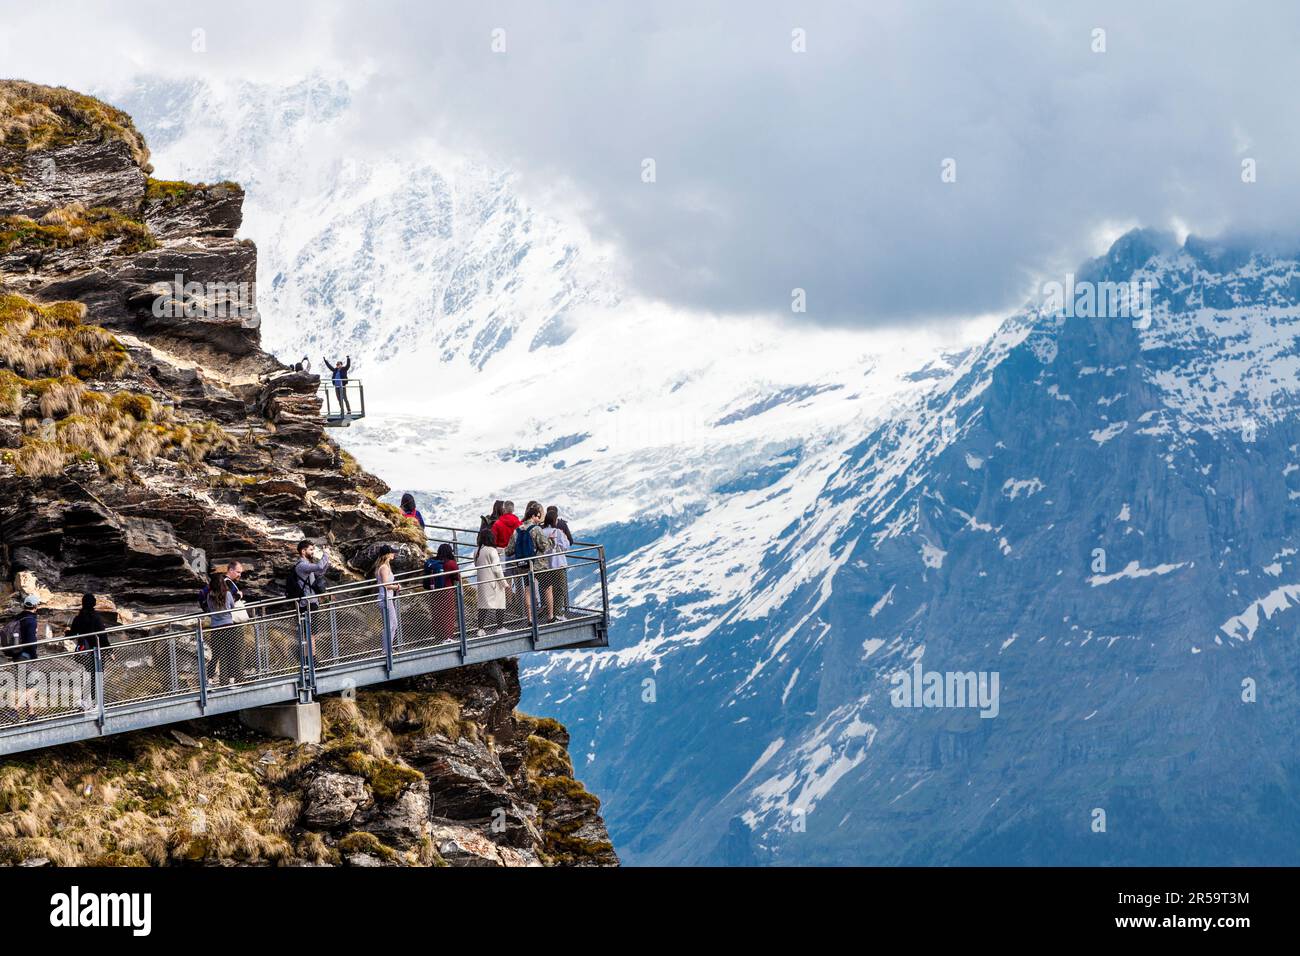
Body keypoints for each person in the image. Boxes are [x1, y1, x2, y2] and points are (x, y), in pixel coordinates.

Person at [506, 501, 553, 624]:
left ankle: (530, 619)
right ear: (533, 516)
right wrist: (551, 541)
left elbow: (509, 551)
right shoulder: (536, 529)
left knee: (527, 590)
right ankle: (550, 616)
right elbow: (544, 547)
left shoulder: (517, 530)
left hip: (524, 565)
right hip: (539, 565)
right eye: (537, 516)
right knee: (547, 588)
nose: (539, 518)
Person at [67, 593, 111, 708]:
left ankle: (84, 700)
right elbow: (102, 636)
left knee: (92, 676)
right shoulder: (96, 617)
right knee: (97, 677)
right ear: (94, 604)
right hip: (96, 651)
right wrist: (110, 651)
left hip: (85, 652)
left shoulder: (78, 618)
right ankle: (96, 704)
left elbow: (71, 634)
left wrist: (67, 631)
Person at [294, 540, 331, 661]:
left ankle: (310, 660)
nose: (313, 552)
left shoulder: (307, 565)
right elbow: (319, 566)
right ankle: (311, 661)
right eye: (311, 550)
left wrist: (327, 557)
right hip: (307, 604)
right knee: (310, 634)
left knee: (311, 634)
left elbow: (320, 571)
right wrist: (325, 554)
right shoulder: (301, 565)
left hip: (312, 602)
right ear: (303, 551)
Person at [203, 571, 241, 685]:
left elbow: (209, 609)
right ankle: (231, 681)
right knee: (231, 654)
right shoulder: (228, 594)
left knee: (215, 655)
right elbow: (232, 606)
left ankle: (209, 681)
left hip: (215, 628)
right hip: (228, 626)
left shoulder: (210, 596)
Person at [473, 520, 506, 635]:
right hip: (494, 582)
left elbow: (476, 564)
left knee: (483, 605)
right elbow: (497, 568)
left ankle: (480, 629)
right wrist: (504, 583)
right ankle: (500, 628)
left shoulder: (477, 550)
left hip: (482, 582)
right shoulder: (492, 550)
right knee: (500, 603)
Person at [542, 506, 572, 621]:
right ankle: (558, 613)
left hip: (545, 565)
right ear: (555, 520)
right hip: (558, 563)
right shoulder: (558, 532)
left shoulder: (542, 532)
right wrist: (564, 537)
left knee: (548, 589)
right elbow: (566, 546)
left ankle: (549, 612)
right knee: (559, 588)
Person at [430, 543, 461, 641]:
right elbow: (457, 577)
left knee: (438, 614)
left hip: (435, 592)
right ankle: (448, 637)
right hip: (447, 591)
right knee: (448, 614)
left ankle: (439, 637)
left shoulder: (433, 561)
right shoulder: (451, 563)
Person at [374, 545, 402, 649]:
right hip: (385, 599)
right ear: (387, 554)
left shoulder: (384, 566)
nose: (393, 554)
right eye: (392, 552)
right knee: (392, 624)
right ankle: (386, 650)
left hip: (386, 598)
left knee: (391, 624)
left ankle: (387, 649)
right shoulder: (384, 568)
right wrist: (396, 587)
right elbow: (385, 585)